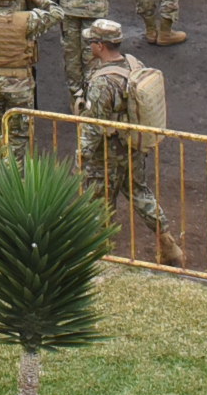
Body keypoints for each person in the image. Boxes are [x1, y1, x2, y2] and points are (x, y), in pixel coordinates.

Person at [78, 21, 184, 266]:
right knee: (139, 192)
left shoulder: (102, 82)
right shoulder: (134, 64)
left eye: (91, 42)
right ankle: (169, 245)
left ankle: (102, 253)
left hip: (106, 152)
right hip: (132, 145)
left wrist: (81, 156)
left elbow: (94, 126)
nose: (89, 46)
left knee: (99, 200)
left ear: (100, 46)